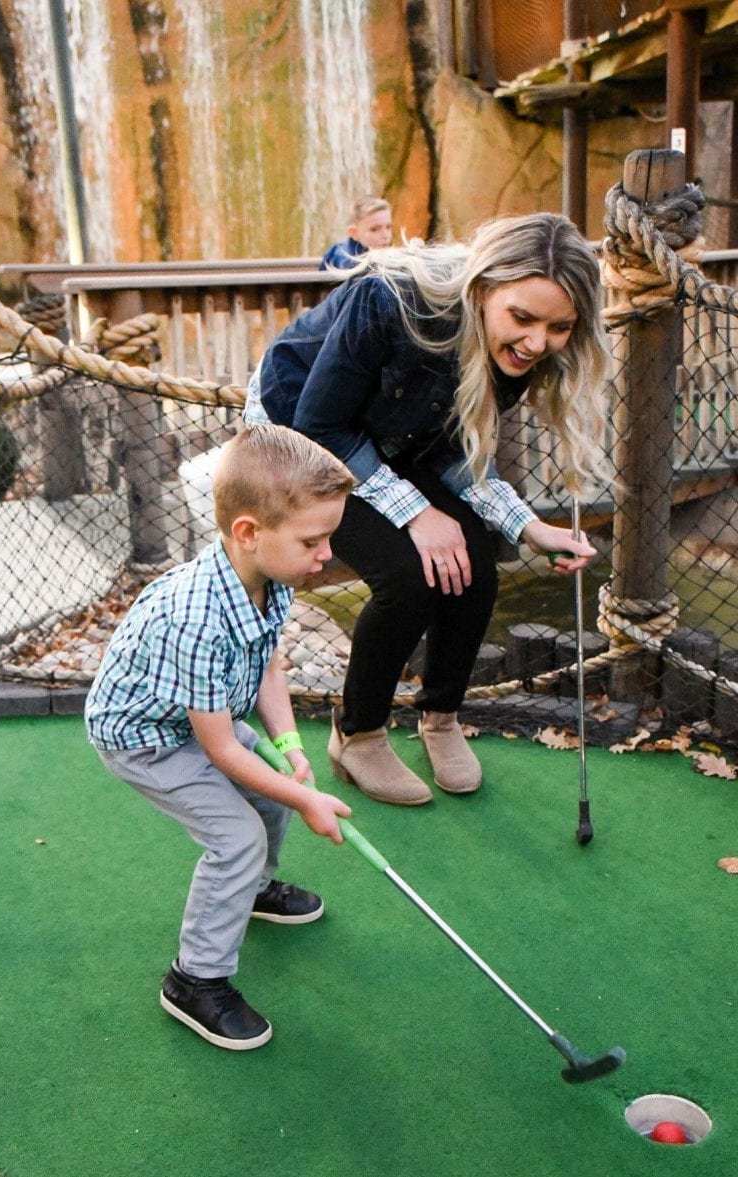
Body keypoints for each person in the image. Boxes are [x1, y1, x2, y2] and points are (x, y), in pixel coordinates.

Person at [243, 213, 612, 807]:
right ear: (483, 289)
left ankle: (439, 716)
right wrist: (417, 514)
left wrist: (527, 525)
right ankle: (357, 733)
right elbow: (321, 427)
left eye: (559, 326)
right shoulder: (388, 300)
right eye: (523, 317)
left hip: (390, 438)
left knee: (476, 564)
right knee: (409, 577)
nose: (537, 342)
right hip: (299, 437)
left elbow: (452, 443)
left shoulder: (515, 351)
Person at [85, 424, 354, 1051]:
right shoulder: (197, 617)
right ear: (248, 533)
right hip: (143, 737)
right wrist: (306, 799)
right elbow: (220, 750)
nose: (326, 554)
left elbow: (266, 666)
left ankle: (254, 889)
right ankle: (195, 981)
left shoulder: (273, 578)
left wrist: (289, 751)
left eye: (329, 538)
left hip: (201, 717)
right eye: (313, 540)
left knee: (270, 798)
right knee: (236, 835)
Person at [319, 194, 393, 270]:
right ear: (353, 233)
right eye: (374, 229)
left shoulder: (385, 256)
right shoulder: (346, 260)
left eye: (388, 227)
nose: (385, 235)